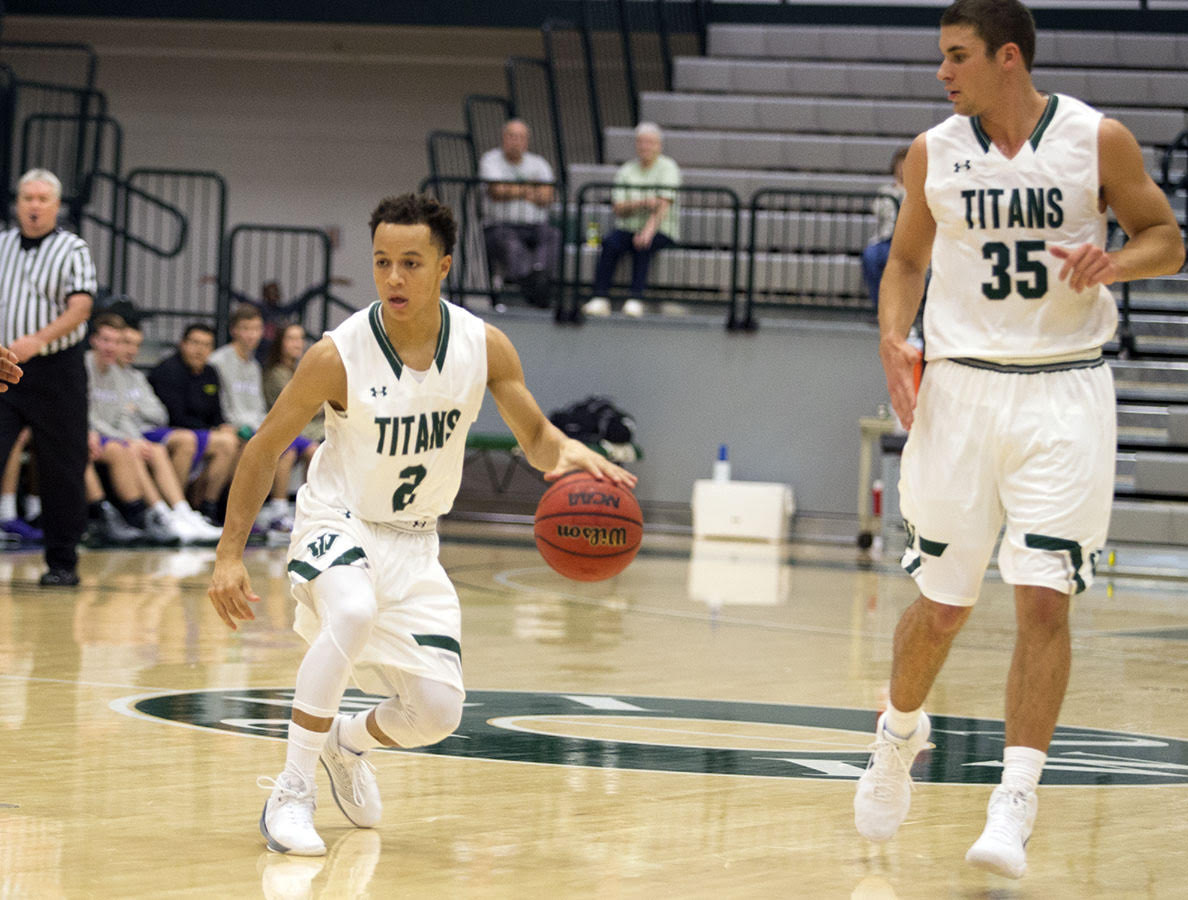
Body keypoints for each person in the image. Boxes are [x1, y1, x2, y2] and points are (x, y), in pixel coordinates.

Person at [853, 0, 1185, 880]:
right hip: (960, 392)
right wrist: (894, 336)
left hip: (1064, 390)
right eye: (939, 57)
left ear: (1008, 57)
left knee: (1044, 599)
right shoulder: (936, 150)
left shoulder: (1095, 139)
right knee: (944, 607)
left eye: (956, 56)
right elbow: (908, 263)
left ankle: (1016, 799)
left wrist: (1115, 260)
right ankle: (896, 736)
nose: (942, 72)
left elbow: (1167, 238)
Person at [207, 193, 637, 856]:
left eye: (411, 262)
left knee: (436, 713)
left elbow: (536, 437)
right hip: (340, 517)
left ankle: (346, 745)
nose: (394, 277)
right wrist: (229, 554)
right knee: (348, 611)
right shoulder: (338, 354)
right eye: (382, 262)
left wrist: (570, 454)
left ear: (444, 267)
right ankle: (291, 791)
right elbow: (264, 446)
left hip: (415, 540)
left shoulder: (482, 345)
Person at [0, 168, 96, 586]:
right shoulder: (1, 245)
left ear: (56, 206)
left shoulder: (72, 248)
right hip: (4, 368)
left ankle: (61, 562)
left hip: (57, 370)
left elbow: (80, 308)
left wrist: (36, 341)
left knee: (61, 467)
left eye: (43, 199)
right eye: (27, 198)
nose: (34, 206)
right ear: (17, 204)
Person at [85, 312, 221, 544]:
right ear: (93, 340)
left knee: (150, 449)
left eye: (118, 342)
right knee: (129, 449)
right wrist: (127, 438)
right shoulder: (85, 366)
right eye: (109, 340)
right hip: (94, 435)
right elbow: (89, 415)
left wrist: (131, 433)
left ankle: (179, 511)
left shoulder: (122, 374)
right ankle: (155, 514)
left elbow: (149, 414)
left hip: (117, 434)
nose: (115, 347)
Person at [210, 304, 301, 534]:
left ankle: (276, 511)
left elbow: (259, 407)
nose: (251, 334)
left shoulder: (253, 365)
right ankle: (230, 513)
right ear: (234, 331)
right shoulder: (219, 361)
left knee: (286, 448)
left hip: (254, 426)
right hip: (230, 427)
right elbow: (223, 407)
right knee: (250, 447)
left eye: (256, 329)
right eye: (246, 328)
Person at [582, 122, 681, 318]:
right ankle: (600, 297)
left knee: (643, 245)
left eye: (650, 142)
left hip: (661, 228)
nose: (645, 147)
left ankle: (636, 298)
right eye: (641, 142)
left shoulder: (668, 167)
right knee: (609, 243)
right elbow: (619, 207)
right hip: (627, 226)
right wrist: (644, 202)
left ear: (658, 145)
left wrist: (647, 231)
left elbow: (663, 204)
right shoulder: (626, 170)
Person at [148, 323, 239, 524]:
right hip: (170, 430)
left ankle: (207, 507)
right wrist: (213, 430)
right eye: (195, 343)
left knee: (233, 440)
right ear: (183, 344)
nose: (200, 350)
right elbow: (175, 416)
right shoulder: (168, 370)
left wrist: (222, 426)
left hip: (202, 433)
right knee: (206, 442)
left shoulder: (211, 373)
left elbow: (217, 413)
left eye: (206, 345)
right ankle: (177, 510)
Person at [479, 118, 560, 308]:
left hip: (535, 225)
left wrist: (513, 190)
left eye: (520, 137)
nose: (516, 141)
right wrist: (531, 188)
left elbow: (548, 195)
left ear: (527, 141)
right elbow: (497, 191)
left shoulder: (538, 163)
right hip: (499, 226)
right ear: (503, 138)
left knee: (552, 235)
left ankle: (538, 274)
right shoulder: (490, 160)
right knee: (510, 244)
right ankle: (532, 285)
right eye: (511, 136)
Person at [861, 147, 909, 310]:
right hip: (886, 238)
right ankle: (881, 308)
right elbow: (877, 209)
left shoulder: (918, 190)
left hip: (908, 241)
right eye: (900, 165)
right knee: (870, 256)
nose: (902, 169)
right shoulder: (885, 191)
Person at [264, 322, 325, 445]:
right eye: (291, 339)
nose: (297, 344)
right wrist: (325, 403)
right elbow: (302, 406)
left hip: (315, 427)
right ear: (280, 342)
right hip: (292, 429)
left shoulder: (300, 370)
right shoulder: (276, 374)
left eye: (300, 339)